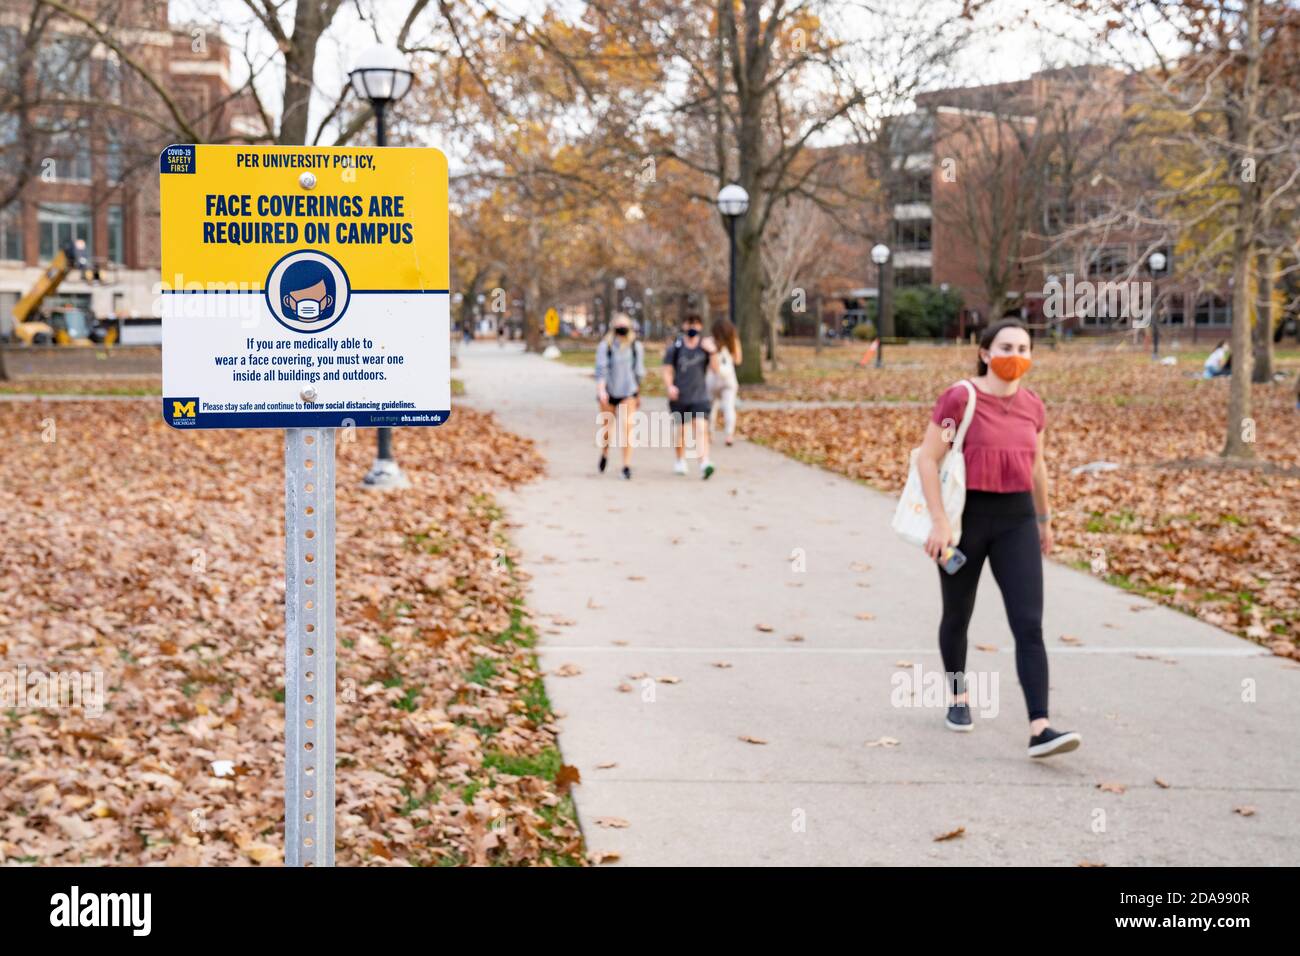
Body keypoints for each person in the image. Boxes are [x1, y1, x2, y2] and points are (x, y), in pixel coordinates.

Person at [914, 318, 1081, 759]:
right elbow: (928, 460)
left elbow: (1038, 465)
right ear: (985, 352)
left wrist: (1044, 518)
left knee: (1029, 623)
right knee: (957, 615)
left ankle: (1040, 726)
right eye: (1006, 346)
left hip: (1017, 520)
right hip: (964, 520)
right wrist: (939, 522)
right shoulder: (960, 398)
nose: (1015, 355)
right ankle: (956, 696)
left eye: (1024, 347)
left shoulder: (1033, 406)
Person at [663, 313, 719, 479]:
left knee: (701, 428)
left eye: (696, 324)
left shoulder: (706, 348)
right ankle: (680, 460)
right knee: (681, 431)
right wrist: (670, 386)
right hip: (680, 397)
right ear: (684, 326)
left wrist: (713, 351)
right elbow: (667, 370)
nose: (692, 328)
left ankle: (704, 463)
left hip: (699, 396)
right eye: (689, 324)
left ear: (700, 327)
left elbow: (716, 369)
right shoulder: (676, 348)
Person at [595, 313, 645, 479]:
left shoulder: (635, 347)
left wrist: (638, 393)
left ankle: (626, 465)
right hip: (609, 392)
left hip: (628, 391)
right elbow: (601, 370)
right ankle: (605, 453)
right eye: (619, 326)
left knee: (628, 427)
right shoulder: (605, 346)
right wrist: (601, 390)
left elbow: (638, 372)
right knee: (607, 429)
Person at [707, 318, 742, 446]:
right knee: (729, 407)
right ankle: (729, 435)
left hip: (712, 379)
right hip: (729, 379)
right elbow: (738, 360)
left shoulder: (710, 342)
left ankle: (710, 433)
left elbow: (711, 365)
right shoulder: (733, 342)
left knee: (711, 408)